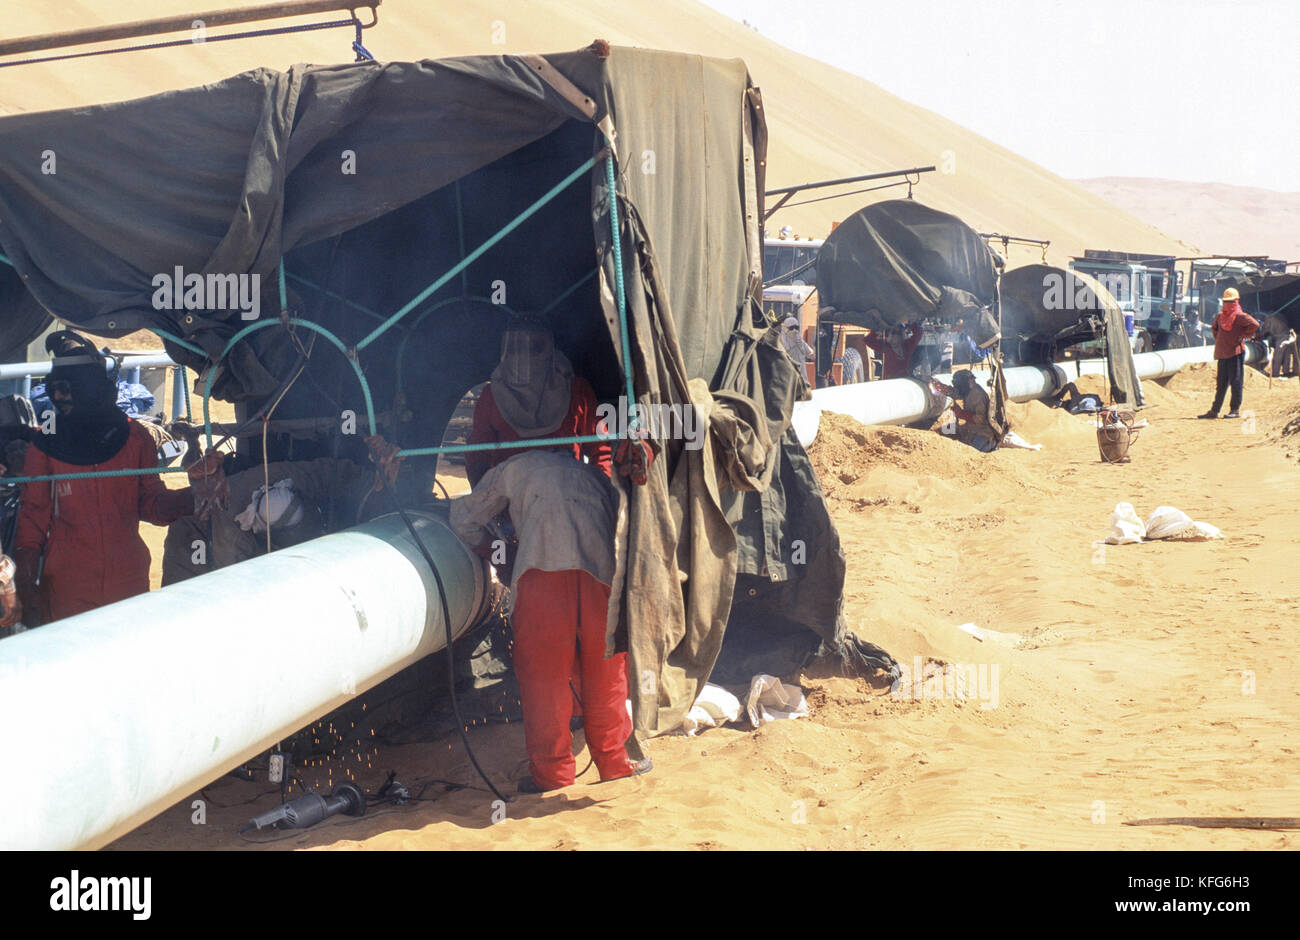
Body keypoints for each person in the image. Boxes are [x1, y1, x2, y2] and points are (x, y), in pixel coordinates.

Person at [450, 449, 650, 793]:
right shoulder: (594, 477)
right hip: (602, 576)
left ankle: (553, 775)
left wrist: (499, 552)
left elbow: (463, 518)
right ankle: (615, 763)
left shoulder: (514, 467)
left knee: (544, 679)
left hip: (539, 572)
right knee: (606, 672)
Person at [12, 331, 221, 624]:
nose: (59, 397)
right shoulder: (45, 446)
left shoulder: (136, 438)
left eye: (68, 388)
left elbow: (152, 506)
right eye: (55, 388)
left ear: (93, 388)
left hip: (129, 584)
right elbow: (31, 524)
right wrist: (23, 587)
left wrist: (196, 492)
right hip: (66, 589)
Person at [465, 315, 610, 487]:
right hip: (510, 494)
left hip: (567, 492)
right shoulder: (491, 394)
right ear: (504, 350)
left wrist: (599, 490)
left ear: (549, 349)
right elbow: (477, 455)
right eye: (514, 348)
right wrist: (485, 496)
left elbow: (600, 449)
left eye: (534, 347)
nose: (523, 355)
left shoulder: (576, 389)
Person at [1199, 288, 1260, 419]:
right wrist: (1221, 340)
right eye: (1226, 301)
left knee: (1236, 381)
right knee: (1221, 383)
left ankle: (1235, 410)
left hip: (1235, 353)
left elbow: (1254, 325)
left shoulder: (1240, 316)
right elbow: (1214, 328)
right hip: (1222, 353)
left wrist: (1243, 336)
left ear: (1236, 302)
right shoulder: (1220, 317)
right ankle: (1214, 411)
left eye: (1231, 301)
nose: (1228, 304)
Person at [930, 370, 1004, 453]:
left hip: (983, 434)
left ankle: (991, 445)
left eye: (959, 385)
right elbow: (958, 393)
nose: (958, 388)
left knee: (969, 453)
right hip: (973, 431)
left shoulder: (978, 395)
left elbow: (980, 419)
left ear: (967, 382)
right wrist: (944, 388)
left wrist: (961, 413)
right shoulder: (968, 390)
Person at [1265, 313, 1298, 379]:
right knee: (1287, 355)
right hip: (1288, 336)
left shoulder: (1270, 318)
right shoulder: (1282, 317)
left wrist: (1261, 334)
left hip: (1281, 337)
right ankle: (1286, 372)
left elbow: (1266, 328)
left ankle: (1275, 373)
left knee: (1278, 356)